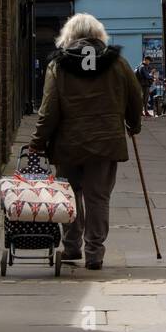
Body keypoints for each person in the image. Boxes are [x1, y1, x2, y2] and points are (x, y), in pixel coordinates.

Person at [29, 14, 143, 270]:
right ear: (98, 35)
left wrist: (37, 141)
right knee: (98, 197)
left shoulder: (58, 66)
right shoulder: (118, 63)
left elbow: (48, 111)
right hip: (106, 143)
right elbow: (136, 96)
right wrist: (134, 124)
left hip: (68, 144)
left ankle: (71, 247)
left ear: (68, 36)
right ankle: (95, 253)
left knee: (69, 195)